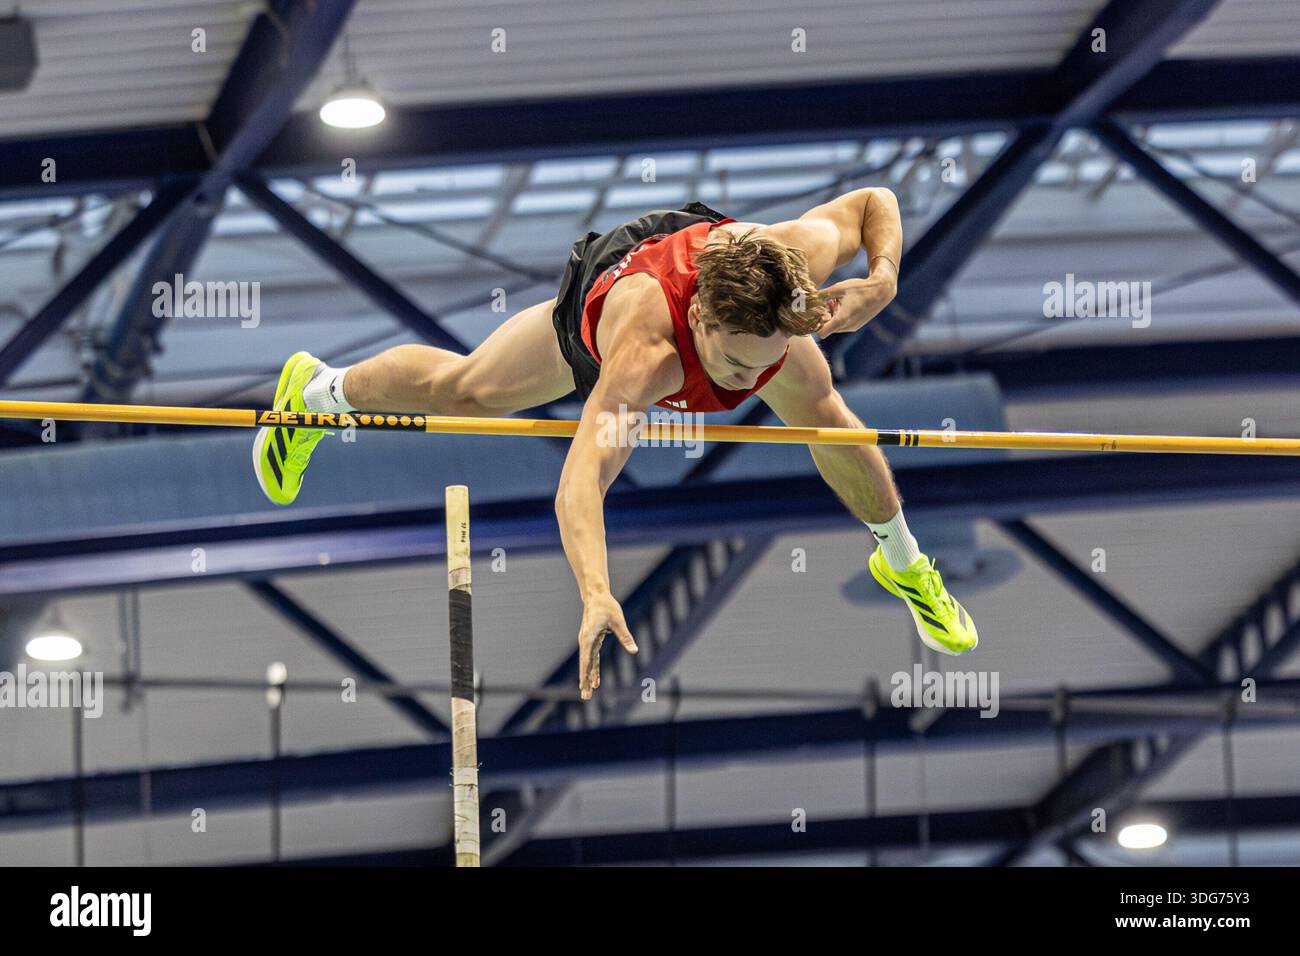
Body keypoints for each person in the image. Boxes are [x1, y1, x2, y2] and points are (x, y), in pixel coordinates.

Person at [252, 189, 978, 699]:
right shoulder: (644, 356)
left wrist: (882, 281)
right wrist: (596, 591)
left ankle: (905, 562)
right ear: (699, 318)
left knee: (827, 414)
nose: (744, 382)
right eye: (731, 366)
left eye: (760, 364)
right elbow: (581, 483)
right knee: (466, 390)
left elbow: (872, 201)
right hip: (613, 286)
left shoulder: (793, 277)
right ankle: (318, 390)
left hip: (721, 256)